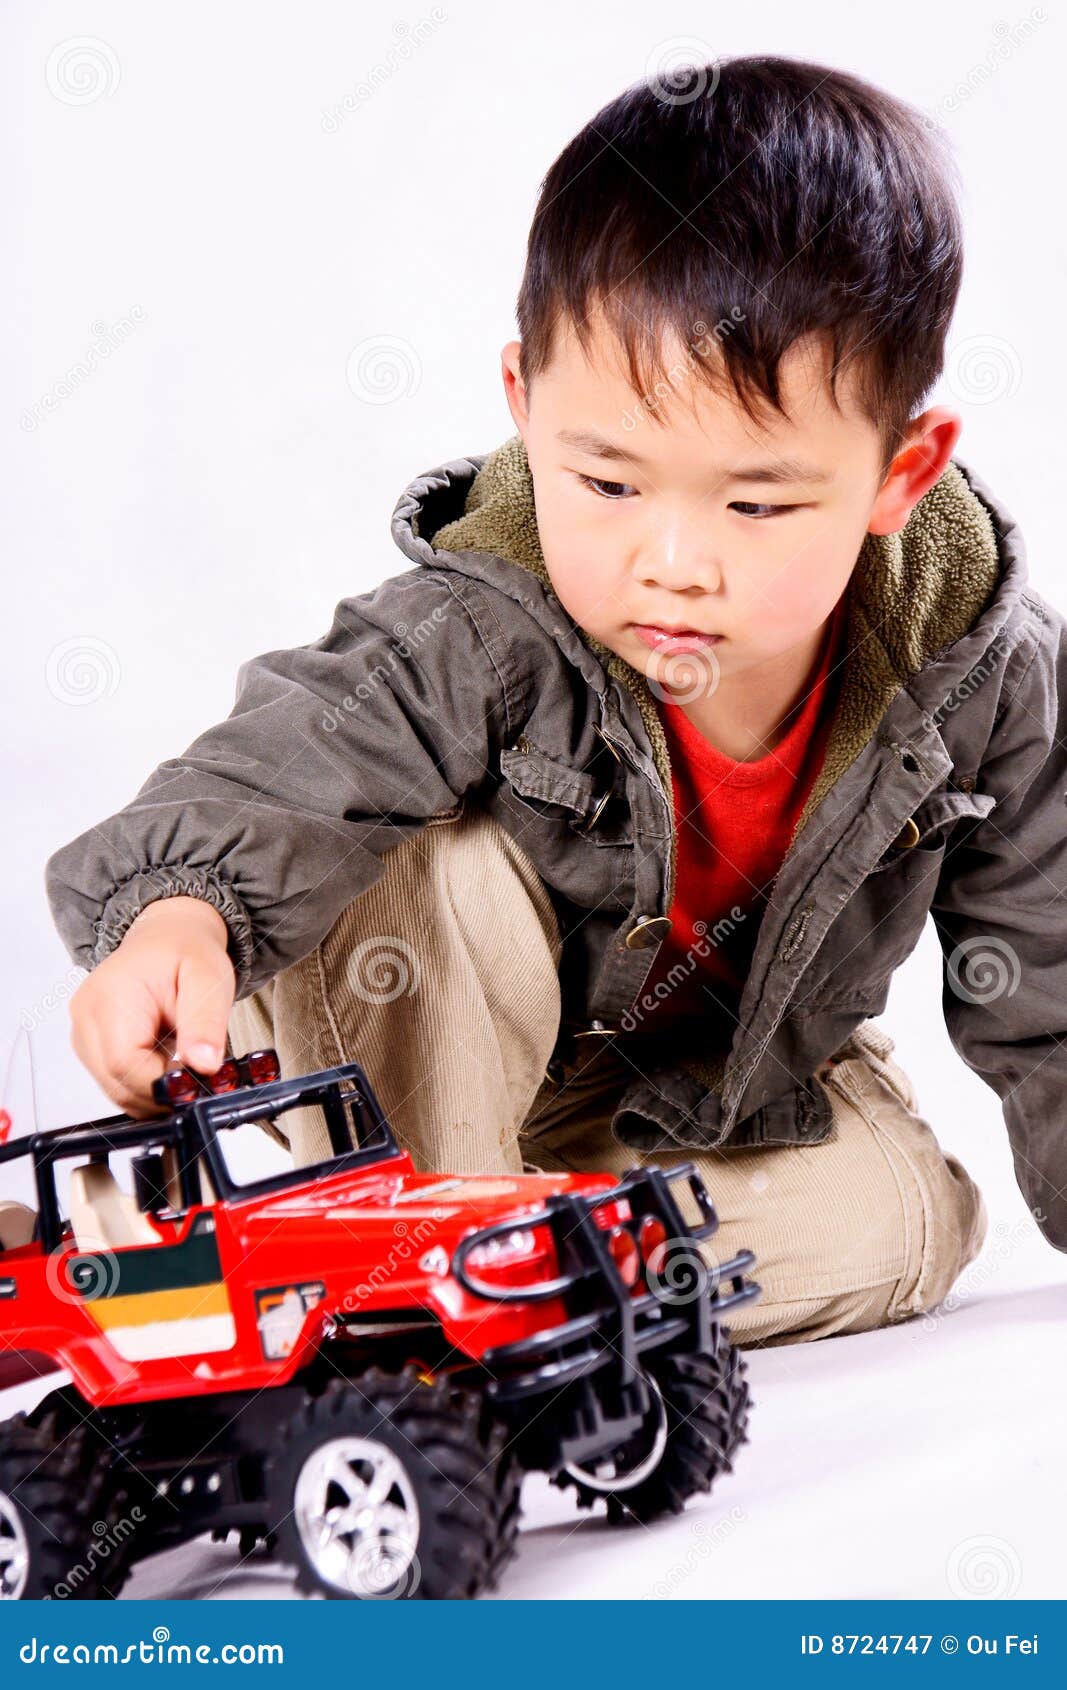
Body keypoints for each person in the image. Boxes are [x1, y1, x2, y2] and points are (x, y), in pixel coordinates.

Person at [46, 55, 1063, 1349]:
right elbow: (290, 758)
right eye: (609, 482)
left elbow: (1054, 965)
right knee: (455, 867)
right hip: (404, 1049)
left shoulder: (978, 670)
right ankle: (415, 1249)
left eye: (756, 502)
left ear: (898, 472)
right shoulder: (485, 622)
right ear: (527, 410)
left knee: (903, 1213)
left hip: (696, 1095)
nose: (674, 560)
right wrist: (177, 915)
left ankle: (499, 1271)